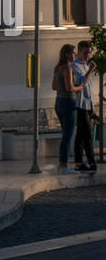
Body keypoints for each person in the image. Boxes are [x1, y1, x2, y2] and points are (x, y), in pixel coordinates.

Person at [52, 44, 83, 174]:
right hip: (68, 103)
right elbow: (70, 88)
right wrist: (79, 87)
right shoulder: (67, 67)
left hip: (58, 102)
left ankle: (62, 164)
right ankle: (63, 165)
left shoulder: (57, 67)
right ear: (66, 54)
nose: (74, 55)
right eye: (72, 53)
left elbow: (54, 86)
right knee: (67, 135)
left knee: (65, 134)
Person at [72, 40, 97, 173]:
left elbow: (89, 89)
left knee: (81, 135)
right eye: (85, 52)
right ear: (80, 50)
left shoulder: (86, 65)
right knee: (87, 134)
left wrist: (92, 108)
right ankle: (92, 162)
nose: (88, 55)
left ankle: (79, 162)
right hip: (79, 105)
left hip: (87, 105)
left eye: (89, 53)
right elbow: (81, 82)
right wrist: (90, 71)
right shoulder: (74, 65)